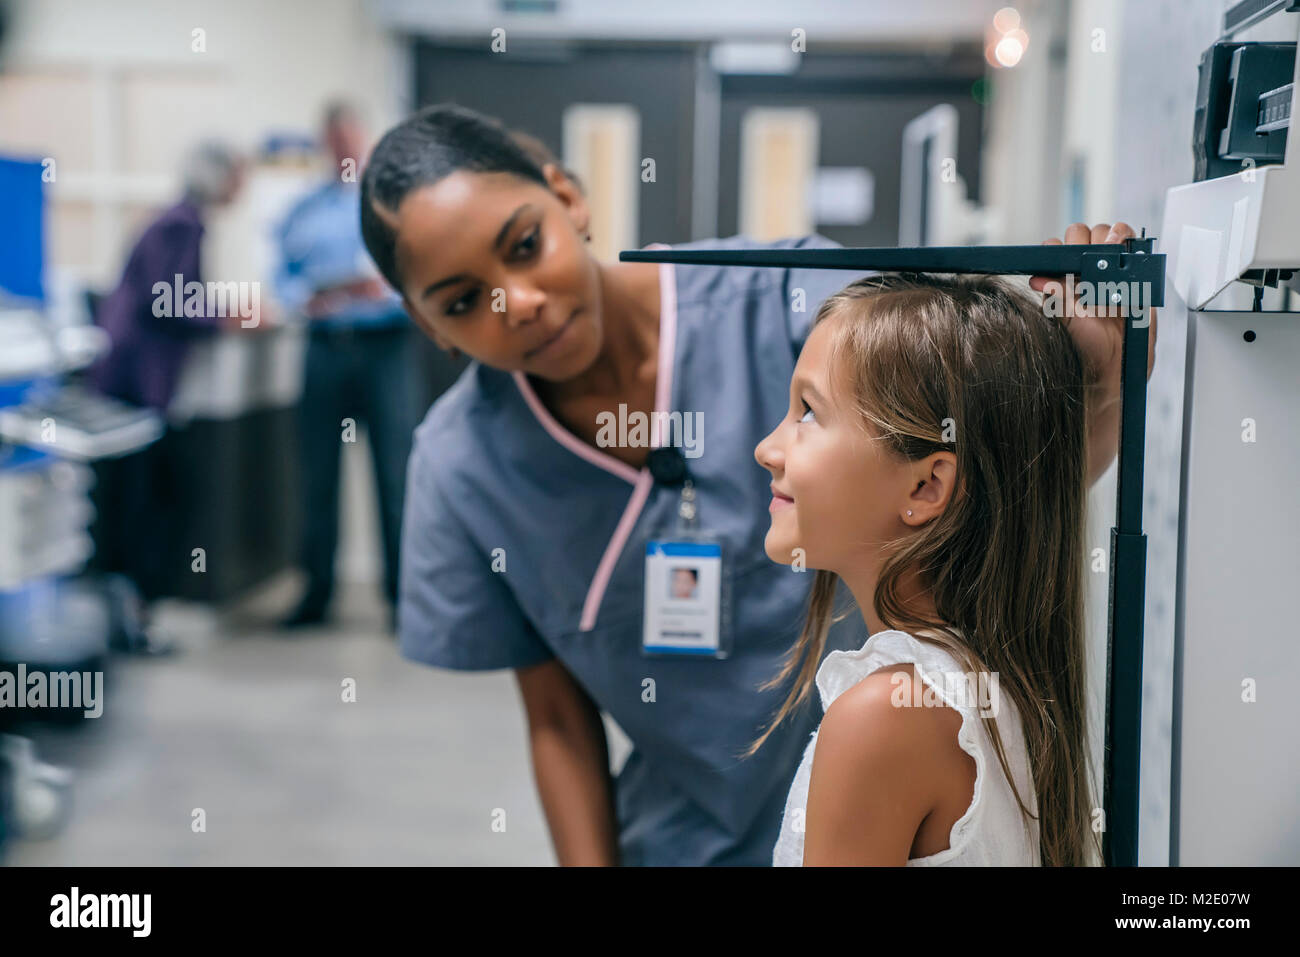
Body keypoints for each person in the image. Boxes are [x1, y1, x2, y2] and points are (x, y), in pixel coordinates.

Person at [359, 103, 1152, 865]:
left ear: (567, 195)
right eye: (463, 301)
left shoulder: (793, 303)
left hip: (903, 805)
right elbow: (558, 718)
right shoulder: (462, 468)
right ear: (429, 327)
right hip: (684, 840)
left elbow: (994, 495)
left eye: (525, 244)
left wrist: (1100, 392)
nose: (519, 302)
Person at [760, 271, 1152, 866]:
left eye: (808, 413)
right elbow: (1015, 502)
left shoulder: (886, 717)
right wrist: (1098, 394)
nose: (769, 447)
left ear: (926, 485)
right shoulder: (986, 682)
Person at [89, 140, 247, 653]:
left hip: (132, 387)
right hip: (137, 390)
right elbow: (168, 302)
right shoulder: (182, 225)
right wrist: (228, 317)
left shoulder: (176, 221)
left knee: (140, 505)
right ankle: (133, 622)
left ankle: (129, 618)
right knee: (146, 509)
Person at [275, 101, 422, 630]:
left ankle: (402, 602)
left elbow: (421, 279)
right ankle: (315, 595)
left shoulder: (394, 209)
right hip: (324, 349)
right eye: (334, 140)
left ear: (364, 143)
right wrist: (307, 296)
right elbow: (282, 280)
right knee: (317, 477)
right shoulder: (301, 210)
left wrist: (383, 291)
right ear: (324, 144)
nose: (343, 150)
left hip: (385, 350)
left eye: (351, 139)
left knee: (394, 476)